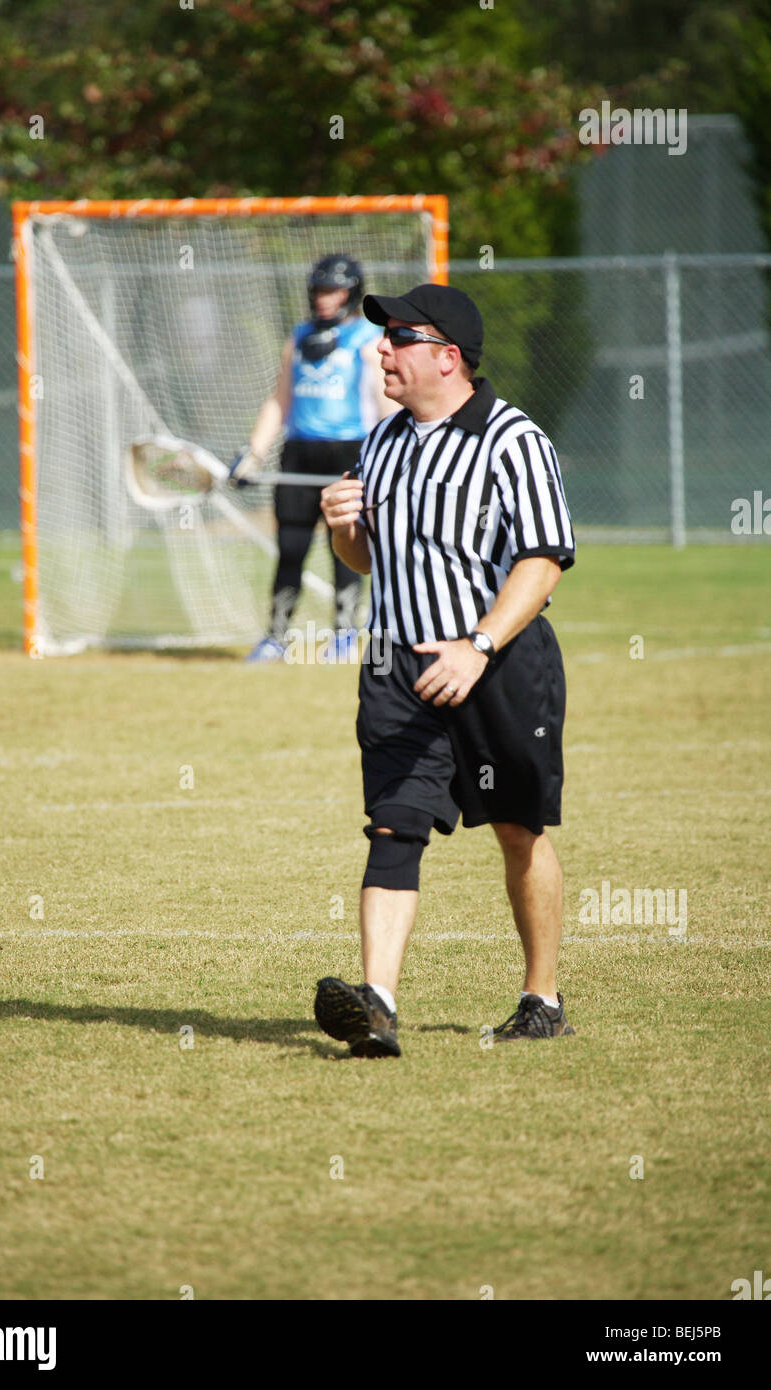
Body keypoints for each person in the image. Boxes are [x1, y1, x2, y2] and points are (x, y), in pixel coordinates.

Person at [314, 283, 577, 1057]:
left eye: (397, 337)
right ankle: (378, 1005)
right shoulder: (382, 441)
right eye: (383, 337)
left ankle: (542, 998)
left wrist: (478, 647)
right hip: (398, 666)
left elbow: (542, 559)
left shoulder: (513, 439)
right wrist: (342, 534)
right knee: (394, 826)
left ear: (447, 356)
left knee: (517, 828)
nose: (380, 351)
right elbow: (370, 559)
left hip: (496, 665)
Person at [230, 255, 393, 662]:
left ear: (351, 293)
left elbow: (384, 403)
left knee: (348, 547)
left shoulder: (369, 340)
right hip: (299, 456)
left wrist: (390, 455)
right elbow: (279, 399)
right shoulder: (299, 337)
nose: (325, 299)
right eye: (319, 291)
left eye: (333, 291)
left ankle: (343, 636)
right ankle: (276, 636)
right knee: (291, 547)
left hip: (349, 454)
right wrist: (254, 453)